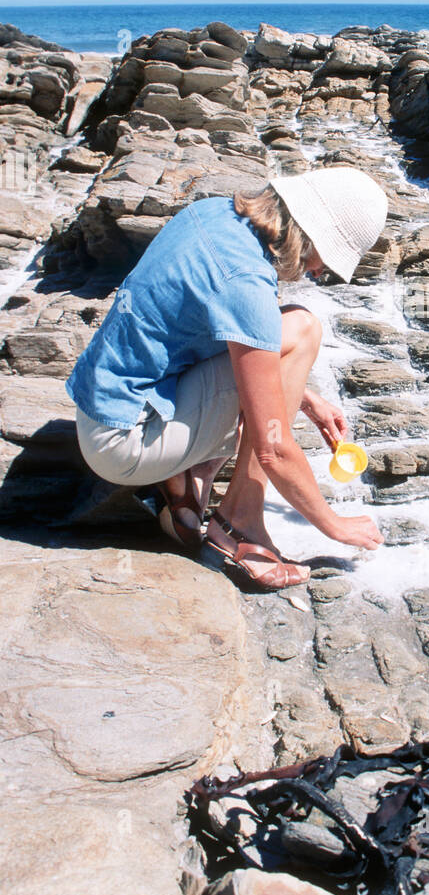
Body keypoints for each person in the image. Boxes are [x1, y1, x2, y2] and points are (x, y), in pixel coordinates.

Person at [66, 165, 387, 590]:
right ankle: (238, 524)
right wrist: (335, 525)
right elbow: (274, 447)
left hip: (105, 404)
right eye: (323, 259)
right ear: (311, 236)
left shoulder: (213, 214)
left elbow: (211, 329)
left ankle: (184, 479)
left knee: (282, 340)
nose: (316, 272)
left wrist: (305, 397)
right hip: (124, 442)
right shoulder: (246, 282)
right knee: (302, 328)